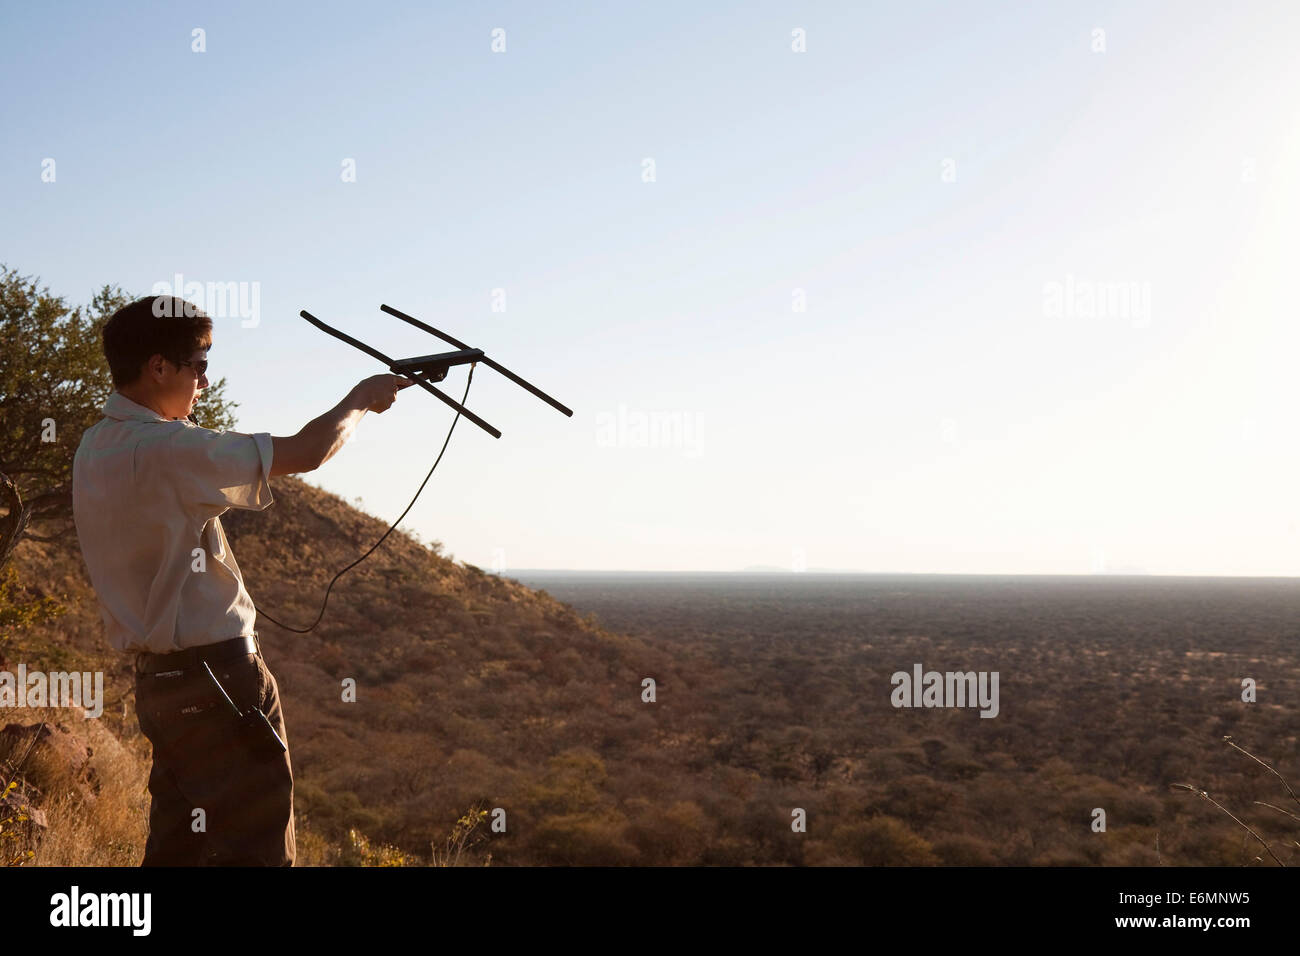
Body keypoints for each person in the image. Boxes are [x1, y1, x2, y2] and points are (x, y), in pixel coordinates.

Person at [71, 294, 414, 865]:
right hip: (218, 679)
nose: (206, 380)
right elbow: (308, 450)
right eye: (199, 364)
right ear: (159, 367)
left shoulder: (93, 445)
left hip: (160, 682)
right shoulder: (168, 448)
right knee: (258, 852)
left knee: (177, 851)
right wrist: (360, 401)